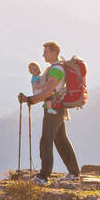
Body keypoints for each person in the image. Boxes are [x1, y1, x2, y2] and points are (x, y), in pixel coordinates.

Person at [18, 41, 81, 183]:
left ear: (54, 52)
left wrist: (30, 100)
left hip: (53, 110)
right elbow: (48, 92)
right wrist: (29, 99)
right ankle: (74, 173)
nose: (43, 55)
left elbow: (48, 92)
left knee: (46, 142)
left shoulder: (55, 70)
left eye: (46, 51)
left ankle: (43, 177)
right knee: (61, 141)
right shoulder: (55, 68)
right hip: (57, 109)